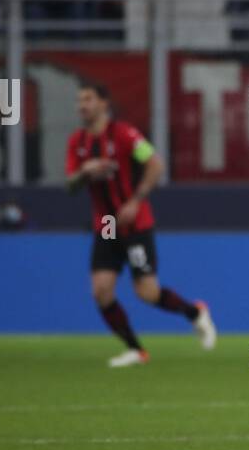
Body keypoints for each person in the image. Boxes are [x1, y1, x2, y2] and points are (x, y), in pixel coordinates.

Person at [66, 83, 216, 366]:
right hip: (106, 224)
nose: (82, 105)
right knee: (101, 290)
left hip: (135, 224)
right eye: (79, 100)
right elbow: (70, 185)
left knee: (146, 292)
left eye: (88, 99)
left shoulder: (125, 134)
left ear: (104, 103)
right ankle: (136, 350)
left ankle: (196, 312)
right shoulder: (78, 142)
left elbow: (156, 164)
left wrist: (135, 201)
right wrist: (84, 172)